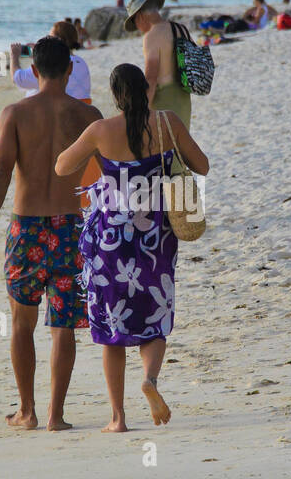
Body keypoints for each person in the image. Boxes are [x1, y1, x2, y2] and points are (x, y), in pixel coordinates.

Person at [54, 64, 210, 433]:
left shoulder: (101, 130)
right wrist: (169, 157)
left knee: (112, 329)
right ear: (144, 89)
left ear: (115, 94)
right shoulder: (167, 122)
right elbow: (202, 165)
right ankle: (150, 380)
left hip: (111, 240)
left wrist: (93, 151)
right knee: (153, 318)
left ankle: (117, 418)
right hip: (156, 238)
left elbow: (62, 167)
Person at [0, 35, 103, 432]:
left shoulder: (15, 113)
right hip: (70, 228)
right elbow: (106, 178)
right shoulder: (89, 117)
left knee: (21, 322)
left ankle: (27, 411)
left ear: (33, 71)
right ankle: (56, 416)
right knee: (63, 324)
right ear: (69, 70)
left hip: (27, 227)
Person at [125, 0, 192, 132]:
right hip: (184, 97)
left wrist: (142, 111)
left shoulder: (151, 36)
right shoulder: (181, 29)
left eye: (134, 22)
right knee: (180, 144)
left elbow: (151, 77)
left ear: (140, 16)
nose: (137, 27)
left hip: (164, 99)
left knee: (163, 148)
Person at [10, 21, 91, 101]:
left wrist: (14, 56)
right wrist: (40, 55)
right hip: (78, 109)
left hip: (51, 111)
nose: (47, 40)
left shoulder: (55, 62)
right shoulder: (81, 62)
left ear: (57, 40)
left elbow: (18, 79)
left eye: (49, 37)